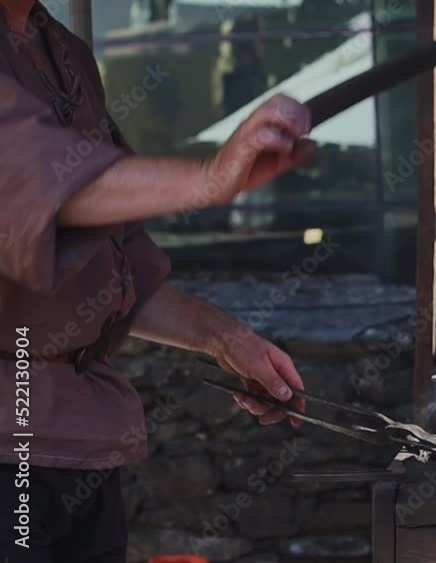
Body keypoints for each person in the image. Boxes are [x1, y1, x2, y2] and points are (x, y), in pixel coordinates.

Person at [0, 1, 314, 561]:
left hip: (81, 438)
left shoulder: (65, 52)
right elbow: (34, 181)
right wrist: (209, 179)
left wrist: (223, 338)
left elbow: (112, 269)